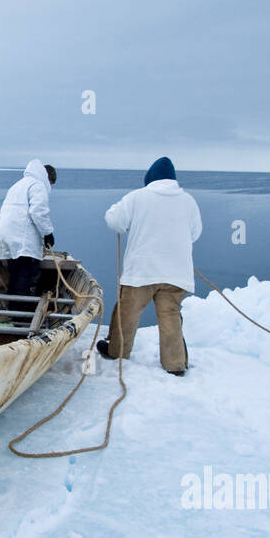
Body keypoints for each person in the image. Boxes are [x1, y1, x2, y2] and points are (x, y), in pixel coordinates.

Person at [98, 156, 201, 375]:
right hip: (176, 273)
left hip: (142, 271)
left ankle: (117, 351)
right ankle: (175, 364)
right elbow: (195, 233)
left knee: (128, 312)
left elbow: (114, 220)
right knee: (170, 315)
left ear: (150, 178)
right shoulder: (188, 201)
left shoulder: (137, 197)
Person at [0, 160, 56, 298]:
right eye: (50, 184)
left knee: (14, 275)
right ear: (48, 179)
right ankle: (22, 313)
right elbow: (38, 212)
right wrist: (48, 233)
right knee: (25, 276)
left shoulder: (18, 185)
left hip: (4, 234)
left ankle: (12, 309)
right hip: (20, 237)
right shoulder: (38, 185)